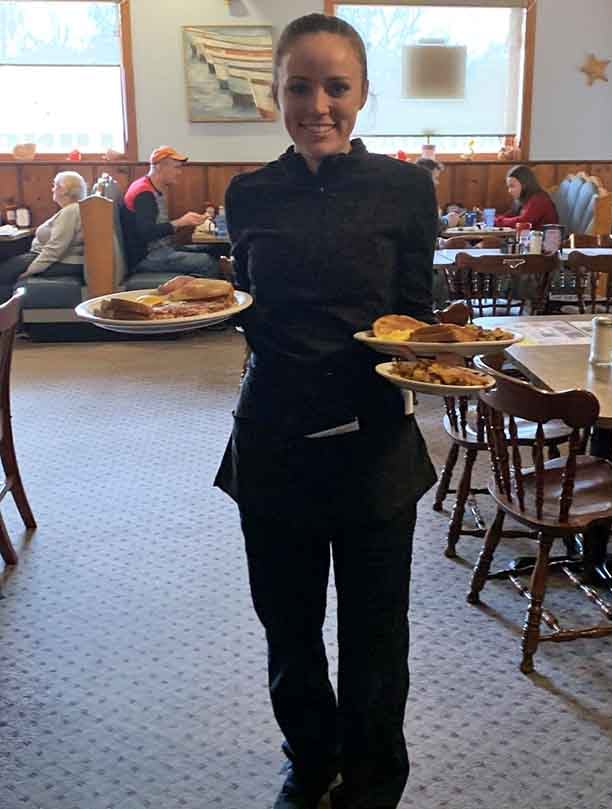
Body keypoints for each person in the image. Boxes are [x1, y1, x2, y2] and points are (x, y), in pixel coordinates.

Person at [214, 13, 438, 809]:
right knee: (290, 629)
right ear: (274, 92)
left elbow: (419, 318)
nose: (319, 105)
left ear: (363, 93)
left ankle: (374, 783)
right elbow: (246, 308)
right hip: (271, 441)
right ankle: (310, 763)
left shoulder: (407, 188)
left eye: (336, 87)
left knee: (377, 639)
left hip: (373, 444)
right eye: (300, 86)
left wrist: (443, 368)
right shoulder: (248, 194)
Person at [119, 145, 222, 277]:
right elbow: (146, 232)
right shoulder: (144, 194)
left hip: (160, 249)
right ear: (159, 167)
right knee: (207, 262)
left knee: (214, 250)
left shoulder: (150, 187)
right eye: (176, 168)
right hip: (146, 257)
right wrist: (180, 222)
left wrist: (185, 222)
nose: (179, 172)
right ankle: (201, 296)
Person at [0, 171, 87, 285]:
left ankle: (10, 302)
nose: (53, 189)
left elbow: (55, 248)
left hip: (64, 262)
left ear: (64, 190)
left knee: (3, 274)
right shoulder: (70, 210)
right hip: (54, 259)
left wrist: (31, 271)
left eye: (55, 186)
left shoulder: (70, 211)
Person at [495, 164, 558, 228]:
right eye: (508, 187)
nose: (509, 190)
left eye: (512, 186)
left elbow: (523, 221)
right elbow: (510, 215)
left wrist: (497, 221)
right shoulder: (522, 199)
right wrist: (492, 218)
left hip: (545, 237)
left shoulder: (540, 199)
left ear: (524, 184)